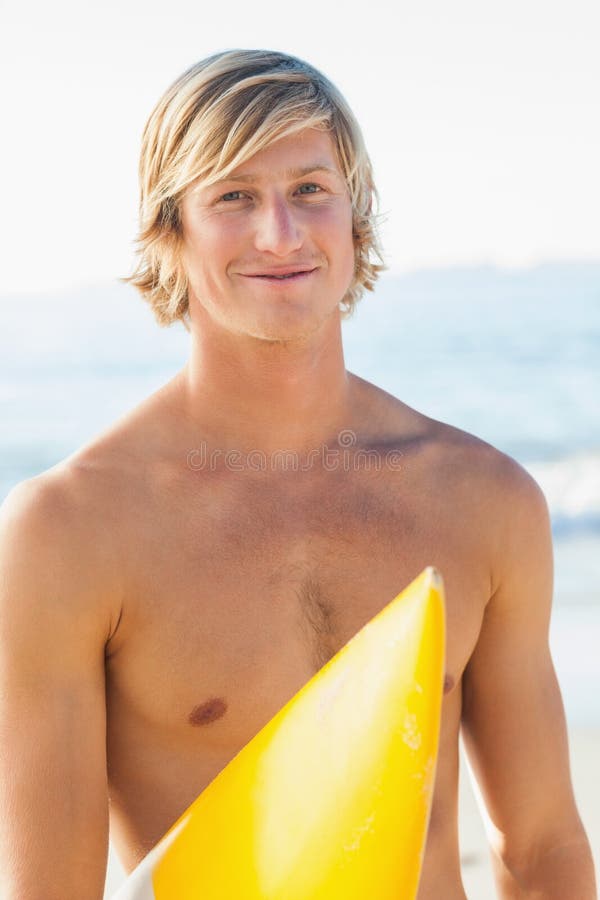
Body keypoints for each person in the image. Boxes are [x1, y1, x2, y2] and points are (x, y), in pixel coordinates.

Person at [0, 48, 595, 900]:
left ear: (356, 218)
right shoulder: (71, 531)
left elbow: (542, 849)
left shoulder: (483, 501)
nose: (280, 234)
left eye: (310, 190)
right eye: (234, 197)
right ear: (171, 231)